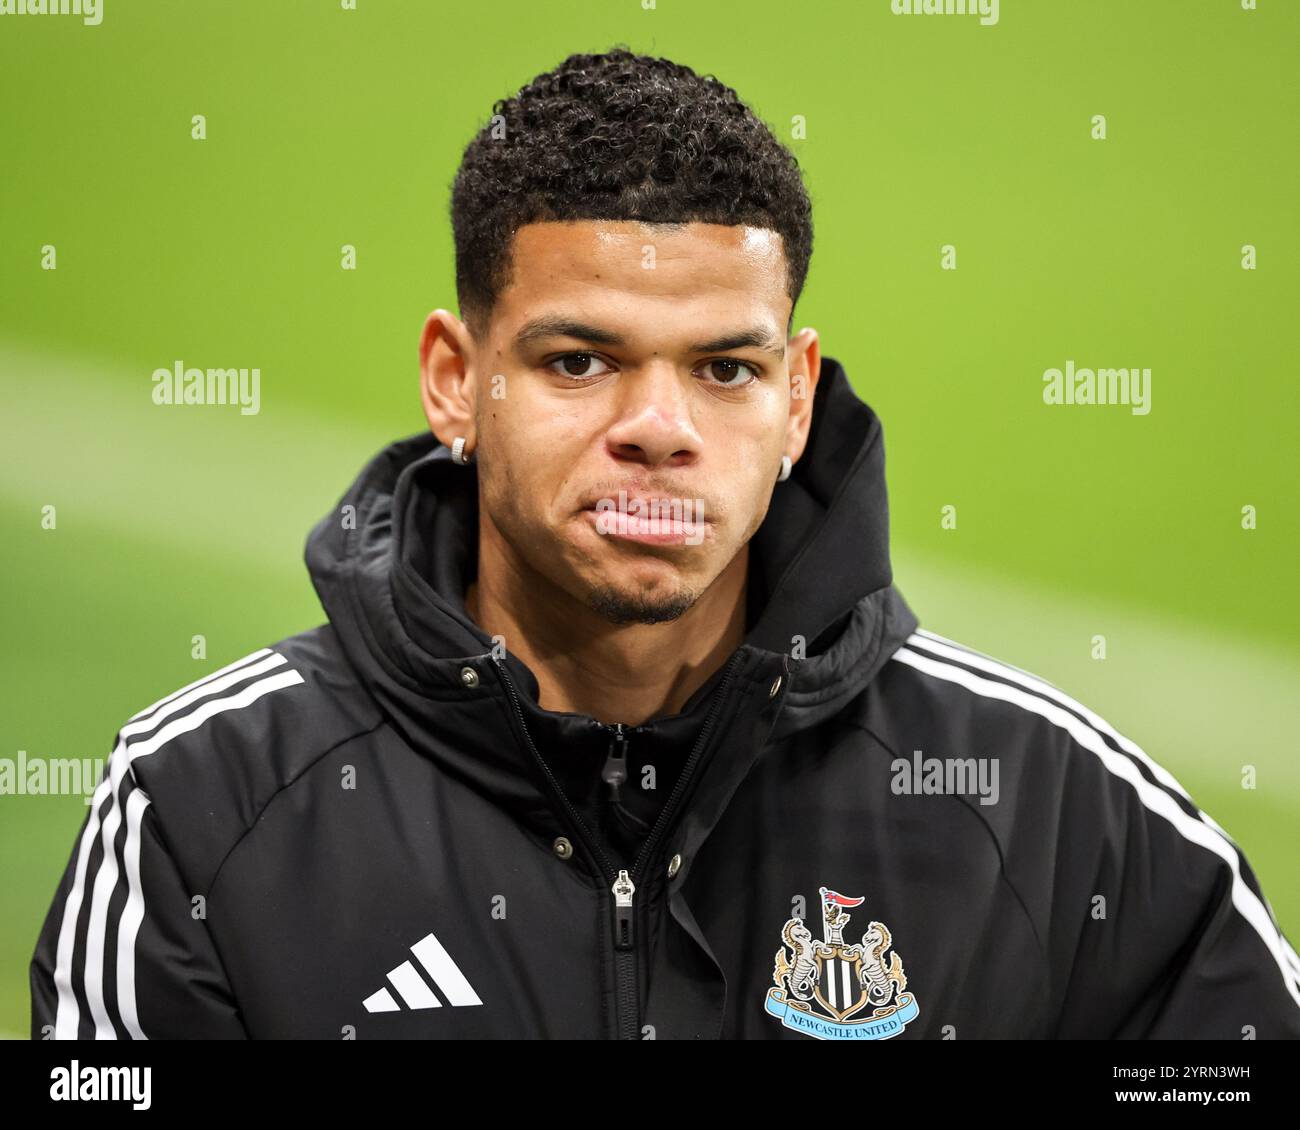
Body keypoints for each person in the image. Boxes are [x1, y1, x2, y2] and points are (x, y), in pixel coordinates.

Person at [30, 48, 1300, 1041]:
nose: (659, 429)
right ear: (455, 378)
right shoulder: (202, 811)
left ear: (796, 397)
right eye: (579, 361)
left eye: (725, 369)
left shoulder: (1052, 812)